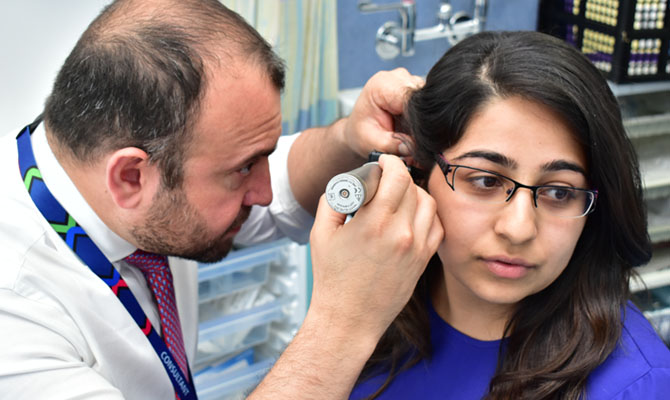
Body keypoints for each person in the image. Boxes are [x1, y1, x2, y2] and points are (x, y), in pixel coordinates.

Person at [0, 0, 443, 398]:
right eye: (244, 168)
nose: (264, 193)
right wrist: (345, 321)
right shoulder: (16, 316)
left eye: (262, 157)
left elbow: (281, 183)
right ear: (131, 177)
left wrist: (348, 136)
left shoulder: (98, 171)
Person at [350, 31, 670, 400]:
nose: (518, 229)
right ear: (418, 172)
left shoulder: (638, 385)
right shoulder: (367, 309)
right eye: (486, 181)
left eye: (559, 192)